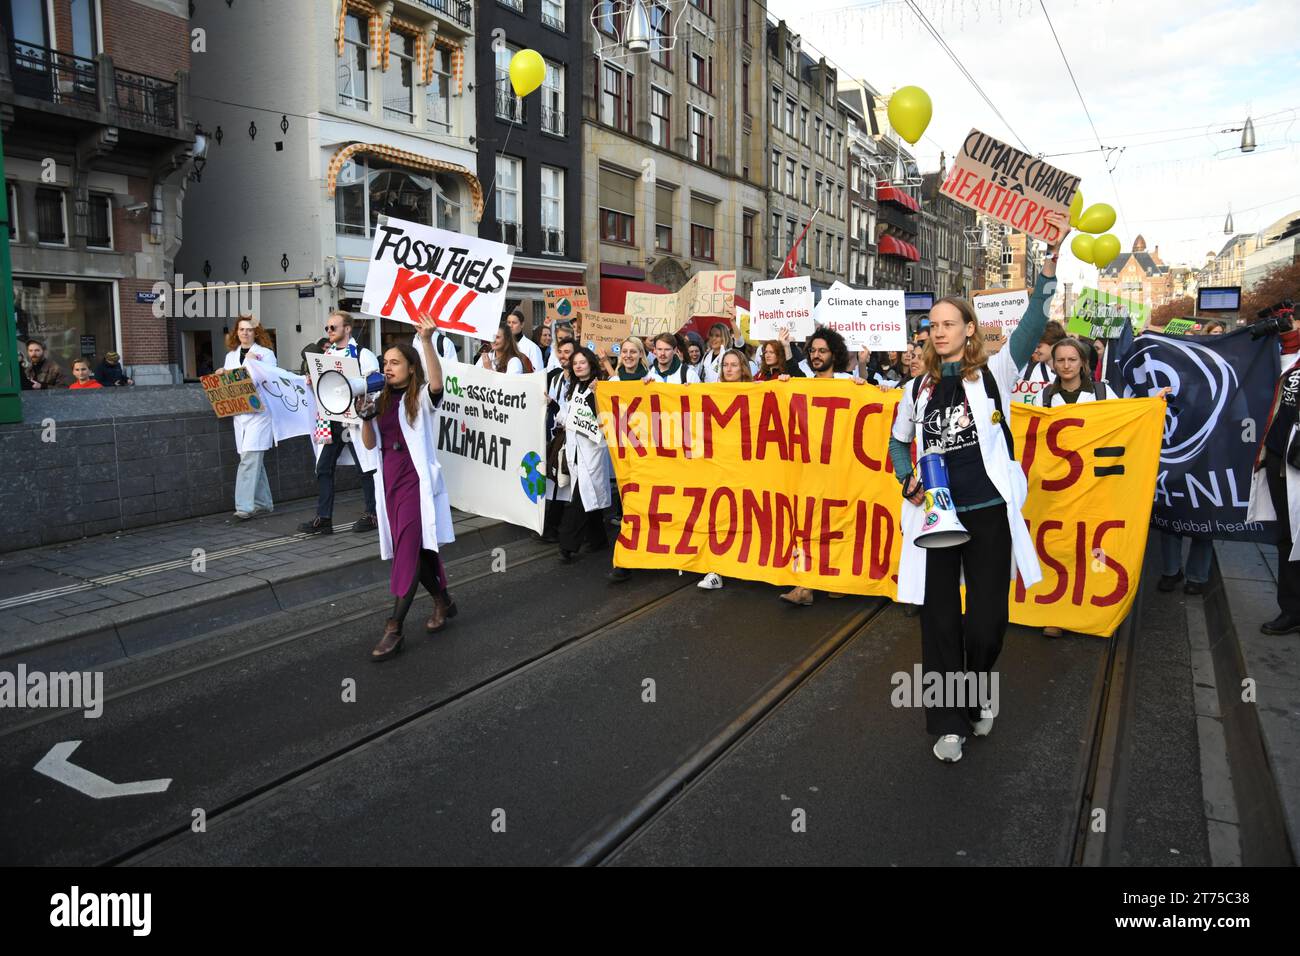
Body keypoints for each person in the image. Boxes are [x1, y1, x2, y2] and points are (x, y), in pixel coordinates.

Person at [890, 210, 1069, 764]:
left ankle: (976, 685)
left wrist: (1047, 268)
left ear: (969, 330)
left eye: (949, 324)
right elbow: (898, 446)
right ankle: (950, 722)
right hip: (937, 522)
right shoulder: (913, 390)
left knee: (987, 622)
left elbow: (1034, 325)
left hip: (988, 513)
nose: (938, 331)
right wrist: (907, 478)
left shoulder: (996, 373)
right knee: (941, 622)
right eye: (933, 326)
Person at [357, 313, 456, 661]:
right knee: (417, 551)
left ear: (411, 368)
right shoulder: (379, 400)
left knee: (407, 551)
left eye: (395, 362)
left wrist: (426, 341)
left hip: (415, 481)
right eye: (385, 362)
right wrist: (365, 419)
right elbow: (370, 445)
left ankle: (394, 627)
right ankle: (443, 600)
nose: (388, 367)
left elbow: (437, 383)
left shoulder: (421, 399)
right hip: (390, 484)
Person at [300, 310, 380, 535]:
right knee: (323, 467)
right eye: (327, 328)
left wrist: (356, 390)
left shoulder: (363, 355)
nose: (329, 331)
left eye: (333, 327)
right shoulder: (325, 357)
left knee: (366, 467)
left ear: (347, 329)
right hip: (332, 419)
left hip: (354, 421)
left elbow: (376, 380)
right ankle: (324, 518)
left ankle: (372, 514)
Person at [1247, 314, 1300, 634]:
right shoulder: (1294, 358)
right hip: (1282, 457)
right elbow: (1285, 347)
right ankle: (1292, 608)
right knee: (1287, 537)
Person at [697, 348, 753, 592]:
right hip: (719, 464)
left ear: (743, 368)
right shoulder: (711, 392)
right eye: (725, 365)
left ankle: (747, 562)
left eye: (734, 365)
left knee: (747, 514)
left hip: (748, 466)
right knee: (719, 514)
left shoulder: (757, 392)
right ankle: (716, 569)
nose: (729, 369)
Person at [557, 347, 612, 563]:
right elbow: (568, 418)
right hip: (575, 451)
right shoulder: (572, 388)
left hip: (592, 451)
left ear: (591, 364)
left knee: (579, 499)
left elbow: (603, 416)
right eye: (575, 363)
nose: (578, 366)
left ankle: (567, 545)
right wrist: (553, 407)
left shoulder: (600, 386)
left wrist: (598, 394)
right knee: (588, 498)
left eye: (582, 362)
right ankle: (598, 539)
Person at [223, 314, 278, 520]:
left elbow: (269, 380)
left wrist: (254, 364)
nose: (245, 333)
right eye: (241, 329)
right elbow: (231, 382)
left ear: (256, 332)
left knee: (249, 459)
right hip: (239, 414)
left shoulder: (265, 354)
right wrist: (222, 373)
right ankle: (264, 503)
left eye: (249, 329)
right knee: (252, 460)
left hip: (259, 414)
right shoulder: (231, 356)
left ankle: (244, 507)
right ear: (236, 333)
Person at [541, 338, 576, 543]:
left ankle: (559, 527)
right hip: (558, 436)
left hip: (573, 436)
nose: (564, 356)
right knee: (557, 480)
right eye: (561, 352)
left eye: (568, 352)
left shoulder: (578, 379)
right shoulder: (555, 378)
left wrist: (554, 407)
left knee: (568, 483)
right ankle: (554, 526)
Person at [1012, 320, 1066, 405]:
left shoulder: (1073, 370)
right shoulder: (1029, 371)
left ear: (1054, 345)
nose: (1035, 350)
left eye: (1039, 346)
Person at [507, 308, 545, 374]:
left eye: (514, 323)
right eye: (509, 322)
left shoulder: (532, 347)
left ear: (522, 324)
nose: (510, 325)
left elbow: (538, 373)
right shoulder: (503, 345)